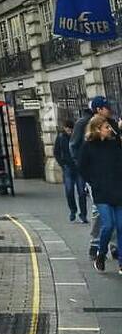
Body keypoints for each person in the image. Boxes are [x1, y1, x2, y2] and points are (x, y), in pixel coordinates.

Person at [72, 97, 118, 261]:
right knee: (98, 211)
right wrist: (90, 175)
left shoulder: (111, 123)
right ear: (99, 109)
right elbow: (74, 147)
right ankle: (96, 244)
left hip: (111, 178)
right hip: (95, 177)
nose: (109, 109)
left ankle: (114, 245)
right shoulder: (83, 123)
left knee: (112, 213)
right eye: (106, 107)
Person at [78, 113, 122, 273]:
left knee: (121, 226)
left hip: (117, 189)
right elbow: (82, 168)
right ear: (97, 129)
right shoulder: (88, 147)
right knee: (108, 225)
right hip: (101, 192)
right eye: (106, 127)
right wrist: (94, 182)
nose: (109, 129)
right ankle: (101, 254)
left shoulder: (113, 145)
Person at [54, 121, 88, 224]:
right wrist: (62, 164)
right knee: (69, 191)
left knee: (82, 192)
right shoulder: (60, 137)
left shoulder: (78, 136)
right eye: (68, 129)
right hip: (68, 167)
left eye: (71, 129)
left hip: (79, 168)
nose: (70, 131)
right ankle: (73, 210)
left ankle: (83, 214)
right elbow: (56, 152)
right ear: (64, 128)